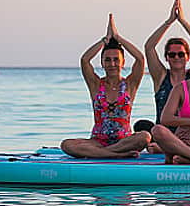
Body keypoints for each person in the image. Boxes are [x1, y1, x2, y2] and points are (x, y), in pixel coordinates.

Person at [61, 15, 154, 159]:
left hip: (124, 140)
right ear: (102, 63)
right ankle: (114, 155)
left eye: (116, 60)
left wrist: (118, 38)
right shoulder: (96, 85)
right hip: (97, 142)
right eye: (108, 60)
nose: (112, 64)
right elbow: (85, 60)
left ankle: (106, 154)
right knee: (66, 145)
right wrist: (104, 40)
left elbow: (140, 59)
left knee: (145, 137)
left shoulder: (130, 84)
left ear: (123, 63)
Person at [136, 0, 190, 134]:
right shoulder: (161, 77)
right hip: (164, 136)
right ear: (166, 58)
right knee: (142, 126)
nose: (176, 57)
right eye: (172, 54)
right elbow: (149, 47)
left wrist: (183, 21)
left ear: (188, 57)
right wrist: (169, 21)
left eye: (181, 54)